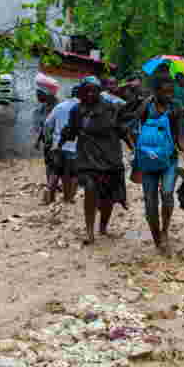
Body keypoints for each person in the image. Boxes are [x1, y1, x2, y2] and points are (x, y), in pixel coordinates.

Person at [133, 73, 184, 254]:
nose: (169, 95)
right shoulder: (146, 106)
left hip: (169, 159)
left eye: (171, 91)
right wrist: (137, 149)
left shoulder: (176, 107)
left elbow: (182, 135)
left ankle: (164, 231)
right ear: (155, 91)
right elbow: (132, 127)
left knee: (167, 193)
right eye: (165, 92)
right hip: (147, 160)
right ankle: (156, 237)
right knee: (150, 202)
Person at [62, 80, 132, 245]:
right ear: (82, 92)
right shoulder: (76, 110)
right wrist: (62, 140)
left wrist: (134, 148)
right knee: (90, 189)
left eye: (94, 91)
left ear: (99, 91)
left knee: (108, 197)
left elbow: (122, 130)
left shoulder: (111, 108)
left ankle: (103, 227)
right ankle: (89, 232)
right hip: (87, 158)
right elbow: (72, 132)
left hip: (110, 158)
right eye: (87, 91)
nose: (90, 94)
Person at [43, 82, 85, 204]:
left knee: (55, 172)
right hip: (75, 147)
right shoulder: (83, 107)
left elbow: (47, 124)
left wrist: (48, 139)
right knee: (73, 175)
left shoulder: (60, 106)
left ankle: (49, 197)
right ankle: (69, 198)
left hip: (57, 146)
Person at [33, 89, 60, 203]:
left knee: (55, 167)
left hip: (57, 143)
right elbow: (43, 127)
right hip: (48, 143)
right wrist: (38, 140)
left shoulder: (58, 107)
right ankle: (51, 189)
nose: (37, 97)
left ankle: (51, 192)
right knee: (49, 166)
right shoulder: (41, 109)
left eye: (39, 94)